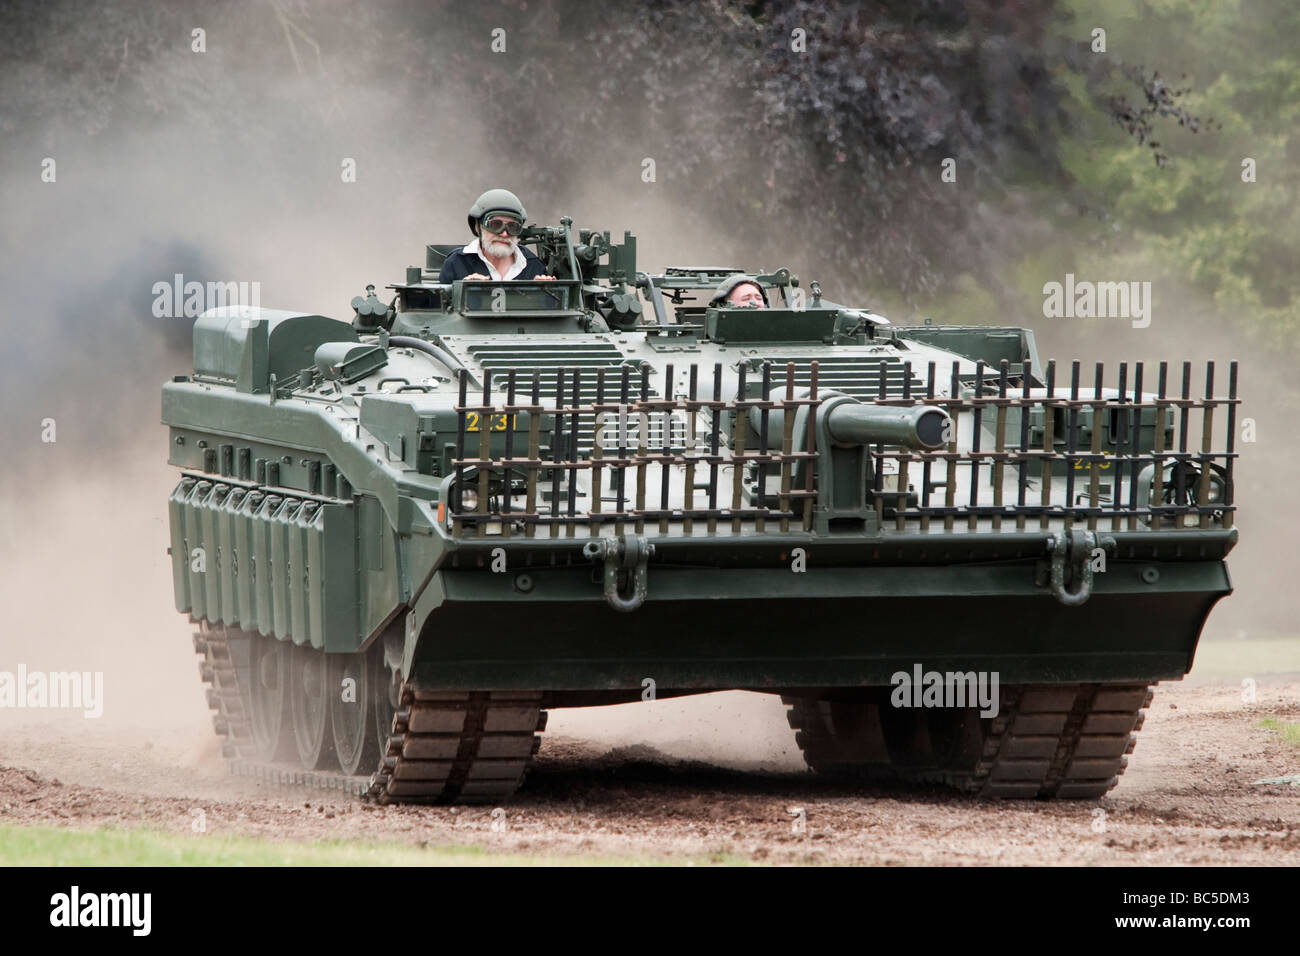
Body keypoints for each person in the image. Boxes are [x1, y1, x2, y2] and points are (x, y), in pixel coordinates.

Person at [438, 188, 555, 282]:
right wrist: (461, 291)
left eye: (512, 227)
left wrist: (541, 294)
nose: (504, 233)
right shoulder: (457, 263)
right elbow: (438, 308)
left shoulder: (533, 265)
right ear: (478, 227)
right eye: (495, 224)